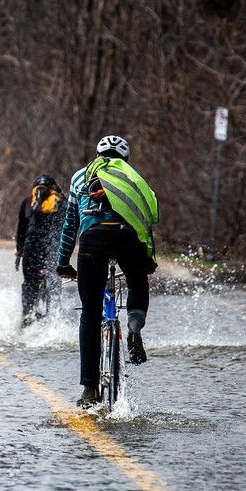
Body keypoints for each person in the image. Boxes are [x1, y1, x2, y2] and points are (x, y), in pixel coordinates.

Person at [55, 135, 159, 407]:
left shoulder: (80, 178)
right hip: (128, 240)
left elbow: (70, 225)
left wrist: (63, 262)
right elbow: (145, 220)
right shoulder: (134, 178)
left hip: (92, 242)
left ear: (97, 153)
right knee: (137, 284)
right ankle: (134, 329)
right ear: (125, 158)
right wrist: (148, 258)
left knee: (90, 313)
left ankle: (89, 390)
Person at [15, 174, 65, 326]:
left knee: (29, 283)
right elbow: (66, 229)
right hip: (51, 249)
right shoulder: (61, 202)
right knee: (53, 283)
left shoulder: (27, 202)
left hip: (31, 249)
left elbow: (21, 230)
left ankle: (26, 315)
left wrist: (19, 252)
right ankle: (53, 318)